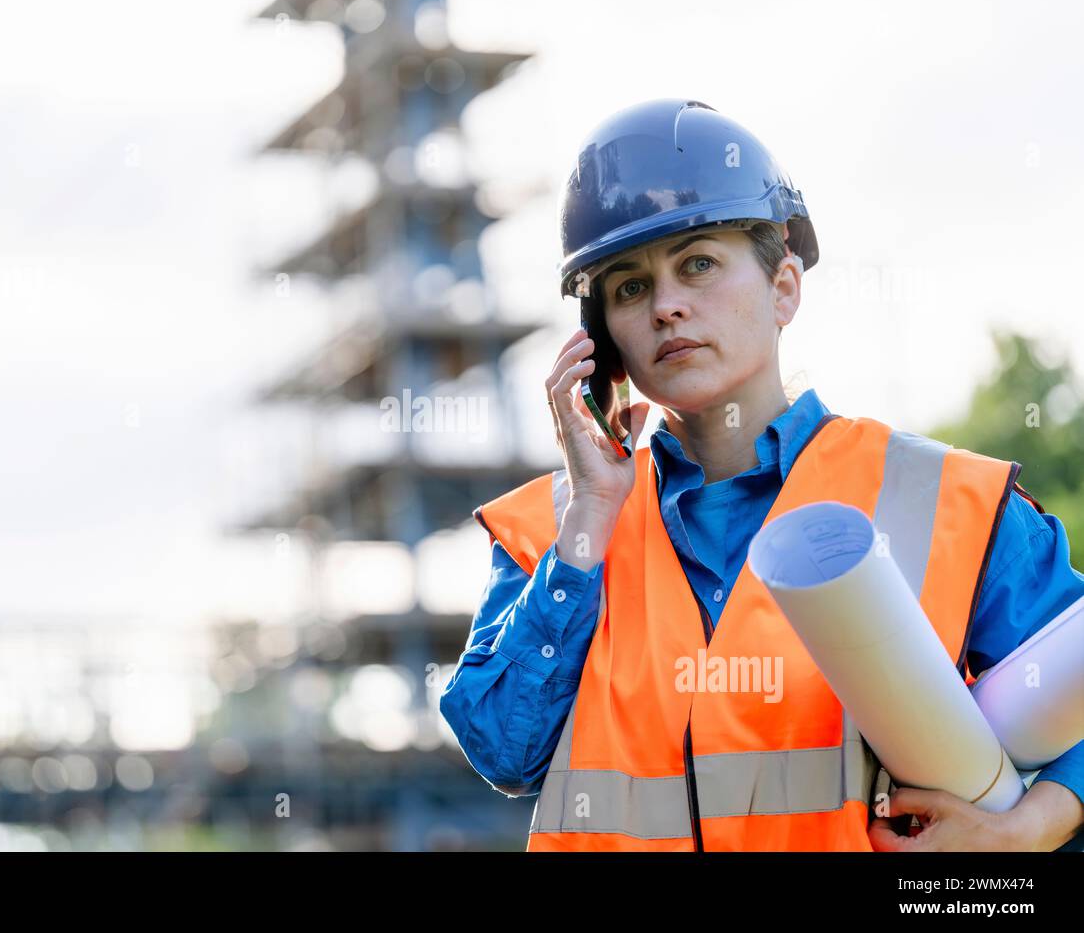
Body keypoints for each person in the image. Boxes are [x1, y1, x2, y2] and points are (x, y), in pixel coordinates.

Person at [439, 98, 1084, 852]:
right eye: (630, 286)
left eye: (699, 264)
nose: (668, 307)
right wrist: (589, 520)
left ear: (784, 287)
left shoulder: (950, 503)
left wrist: (1027, 830)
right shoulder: (553, 532)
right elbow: (502, 753)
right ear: (601, 343)